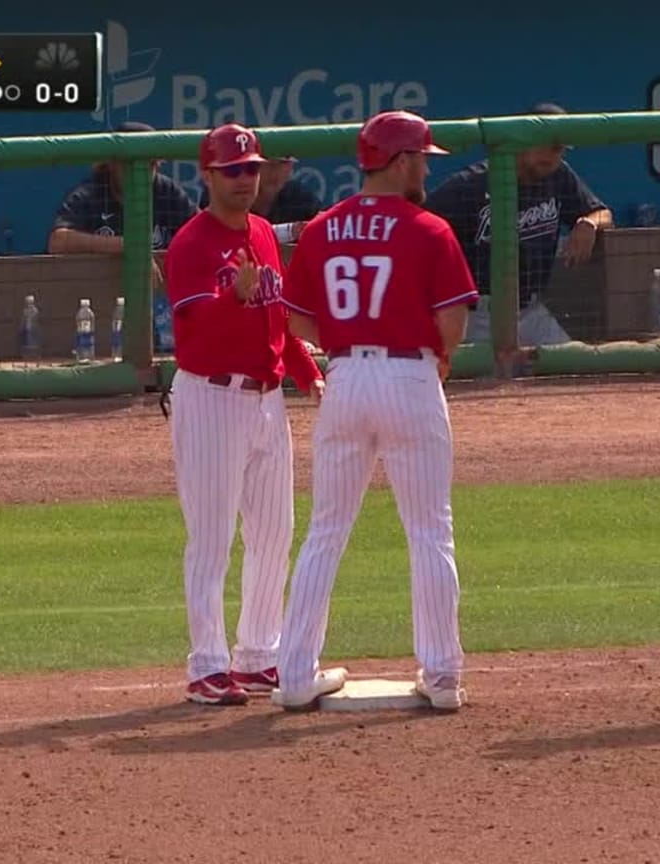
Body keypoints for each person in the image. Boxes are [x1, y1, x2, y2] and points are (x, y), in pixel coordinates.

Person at [272, 110, 480, 713]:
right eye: (421, 159)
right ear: (399, 160)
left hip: (345, 378)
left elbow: (297, 319)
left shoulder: (322, 228)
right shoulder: (429, 229)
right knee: (429, 529)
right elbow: (453, 324)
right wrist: (430, 353)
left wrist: (346, 339)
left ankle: (294, 673)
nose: (426, 170)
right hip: (409, 376)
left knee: (325, 530)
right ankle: (442, 676)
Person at [161, 123, 324, 706]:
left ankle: (258, 655)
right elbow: (193, 331)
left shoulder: (260, 233)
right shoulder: (191, 244)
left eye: (251, 168)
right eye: (232, 170)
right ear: (207, 176)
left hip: (267, 400)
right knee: (211, 539)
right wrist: (233, 298)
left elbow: (276, 318)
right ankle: (207, 665)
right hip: (211, 398)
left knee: (274, 535)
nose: (243, 179)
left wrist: (306, 372)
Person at [424, 102, 611, 346]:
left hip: (531, 309)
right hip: (480, 312)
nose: (550, 156)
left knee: (572, 364)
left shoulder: (558, 175)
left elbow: (602, 212)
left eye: (557, 149)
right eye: (542, 145)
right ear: (521, 142)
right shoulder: (471, 184)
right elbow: (421, 225)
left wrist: (589, 222)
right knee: (483, 369)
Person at [46, 120, 199, 276]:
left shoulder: (165, 190)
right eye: (129, 164)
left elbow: (204, 231)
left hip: (158, 286)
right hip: (98, 284)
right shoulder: (93, 191)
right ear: (112, 163)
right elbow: (58, 241)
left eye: (150, 164)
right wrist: (128, 246)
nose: (141, 172)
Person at [197, 155, 322, 242]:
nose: (274, 172)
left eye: (282, 163)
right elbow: (217, 237)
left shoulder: (303, 201)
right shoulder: (223, 194)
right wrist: (289, 231)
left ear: (290, 167)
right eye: (268, 163)